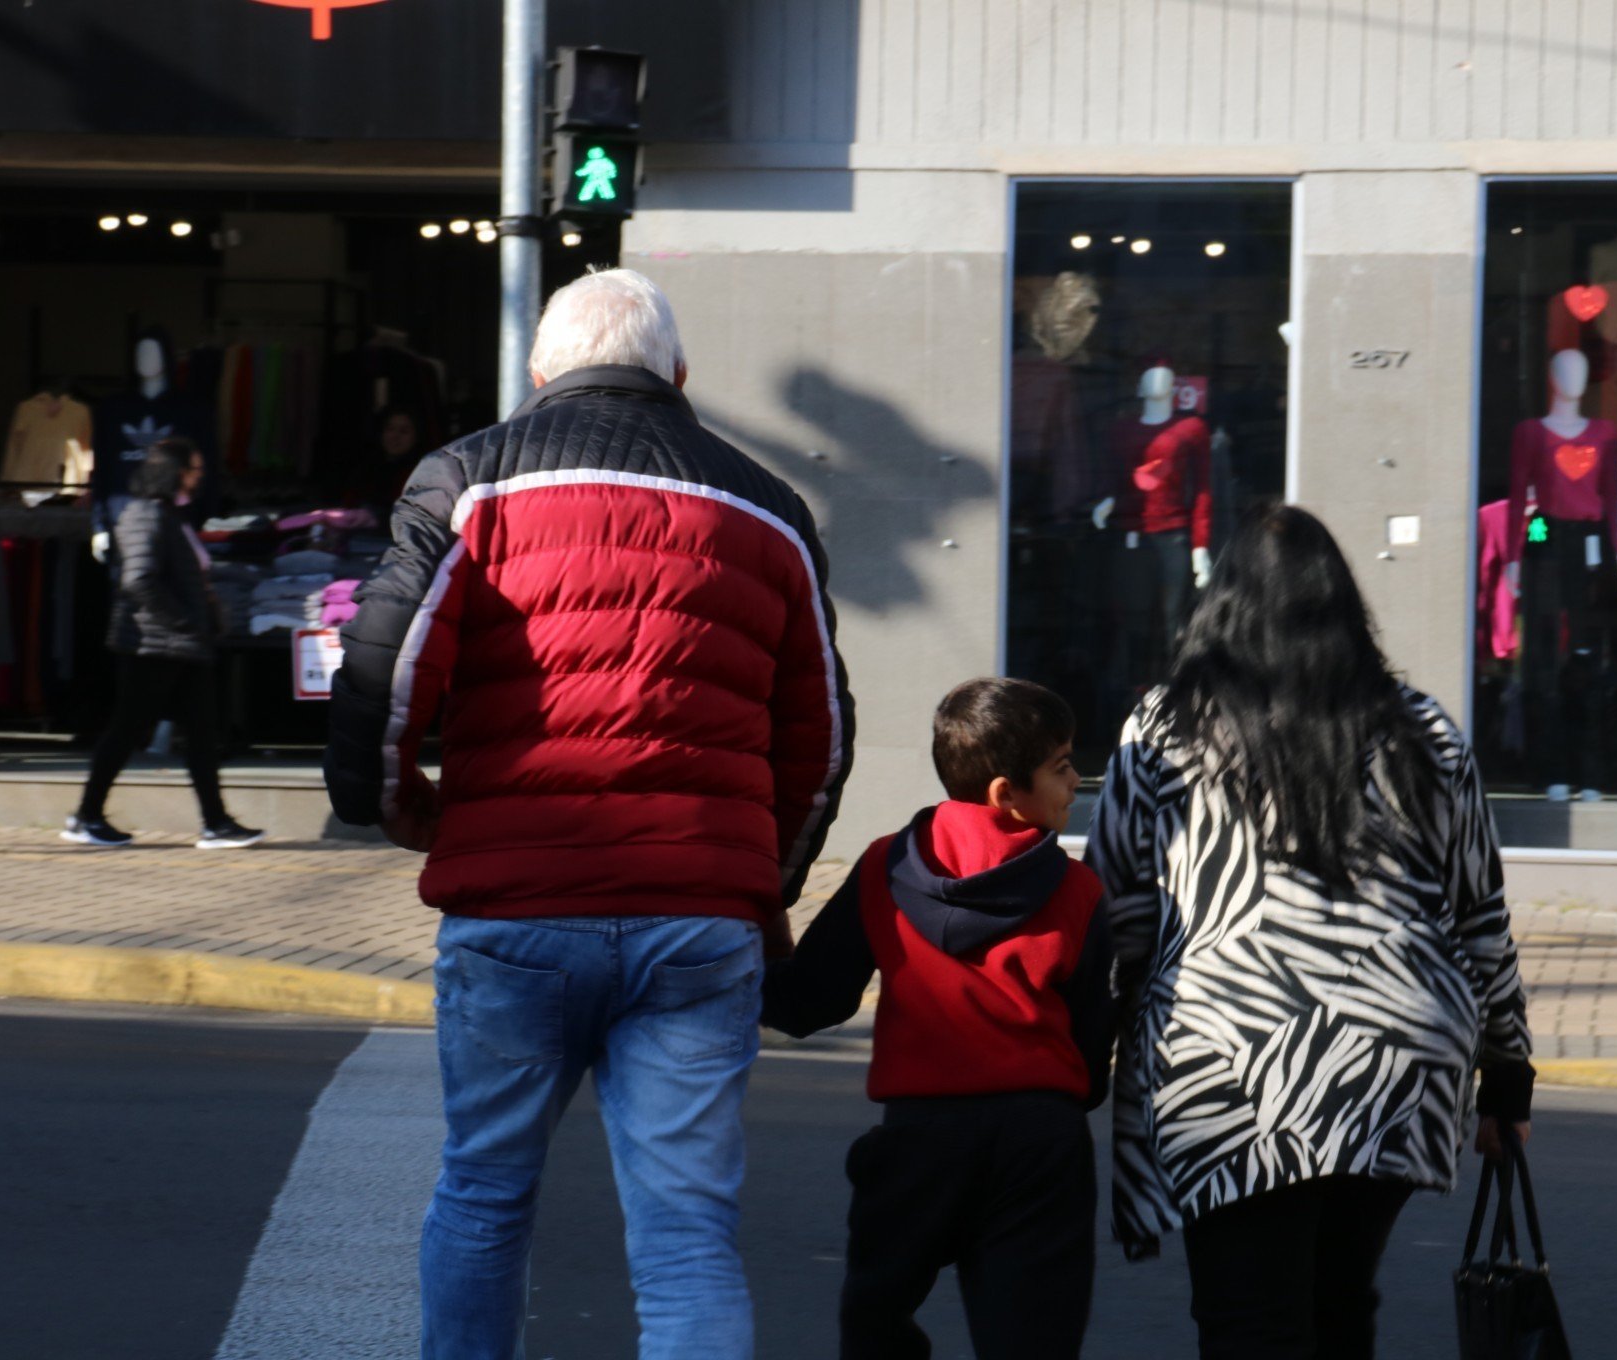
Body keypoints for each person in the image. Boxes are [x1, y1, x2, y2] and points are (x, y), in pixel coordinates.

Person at [324, 267, 854, 1360]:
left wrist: (391, 803)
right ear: (680, 375)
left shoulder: (470, 479)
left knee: (483, 1195)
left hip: (516, 907)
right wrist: (767, 880)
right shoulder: (771, 510)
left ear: (539, 371)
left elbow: (384, 668)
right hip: (699, 920)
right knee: (687, 1232)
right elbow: (822, 733)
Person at [1088, 502, 1533, 1360]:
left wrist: (1093, 1044)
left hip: (1230, 1050)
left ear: (1223, 603)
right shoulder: (1423, 728)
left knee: (1248, 1319)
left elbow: (1122, 911)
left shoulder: (1166, 725)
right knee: (1339, 1305)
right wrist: (1507, 1077)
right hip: (1401, 1056)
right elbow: (1480, 911)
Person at [763, 677, 1110, 1360]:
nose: (1076, 782)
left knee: (875, 1323)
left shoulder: (885, 865)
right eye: (1062, 765)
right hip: (1039, 1143)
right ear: (1006, 793)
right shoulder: (1077, 889)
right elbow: (1092, 1040)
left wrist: (757, 947)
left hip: (918, 1139)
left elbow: (810, 1002)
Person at [66, 439, 265, 850]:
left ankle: (216, 822)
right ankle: (86, 816)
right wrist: (184, 619)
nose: (198, 476)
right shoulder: (147, 514)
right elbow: (138, 580)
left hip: (181, 644)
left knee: (201, 733)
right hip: (152, 645)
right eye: (192, 469)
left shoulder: (170, 514)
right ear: (173, 472)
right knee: (127, 730)